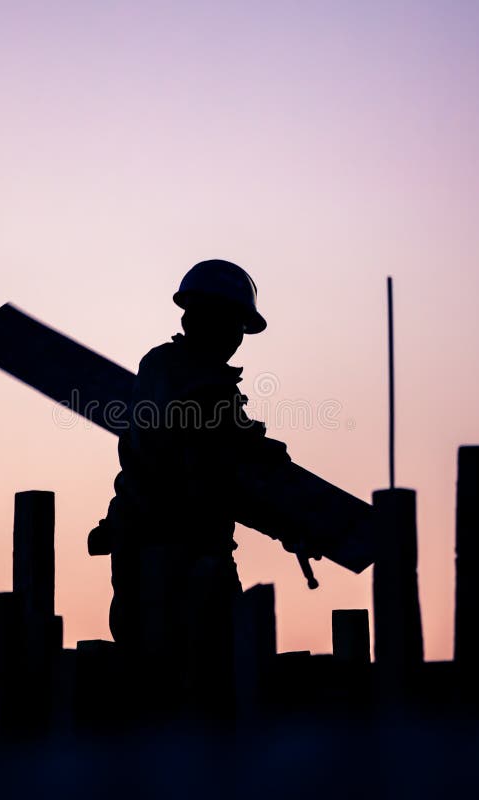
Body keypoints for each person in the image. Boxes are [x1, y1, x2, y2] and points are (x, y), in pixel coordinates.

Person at [88, 259, 289, 710]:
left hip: (158, 545)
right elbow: (210, 458)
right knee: (190, 683)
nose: (237, 338)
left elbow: (215, 454)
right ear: (202, 320)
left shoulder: (171, 371)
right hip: (176, 552)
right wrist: (257, 450)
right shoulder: (192, 378)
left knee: (168, 677)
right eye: (234, 325)